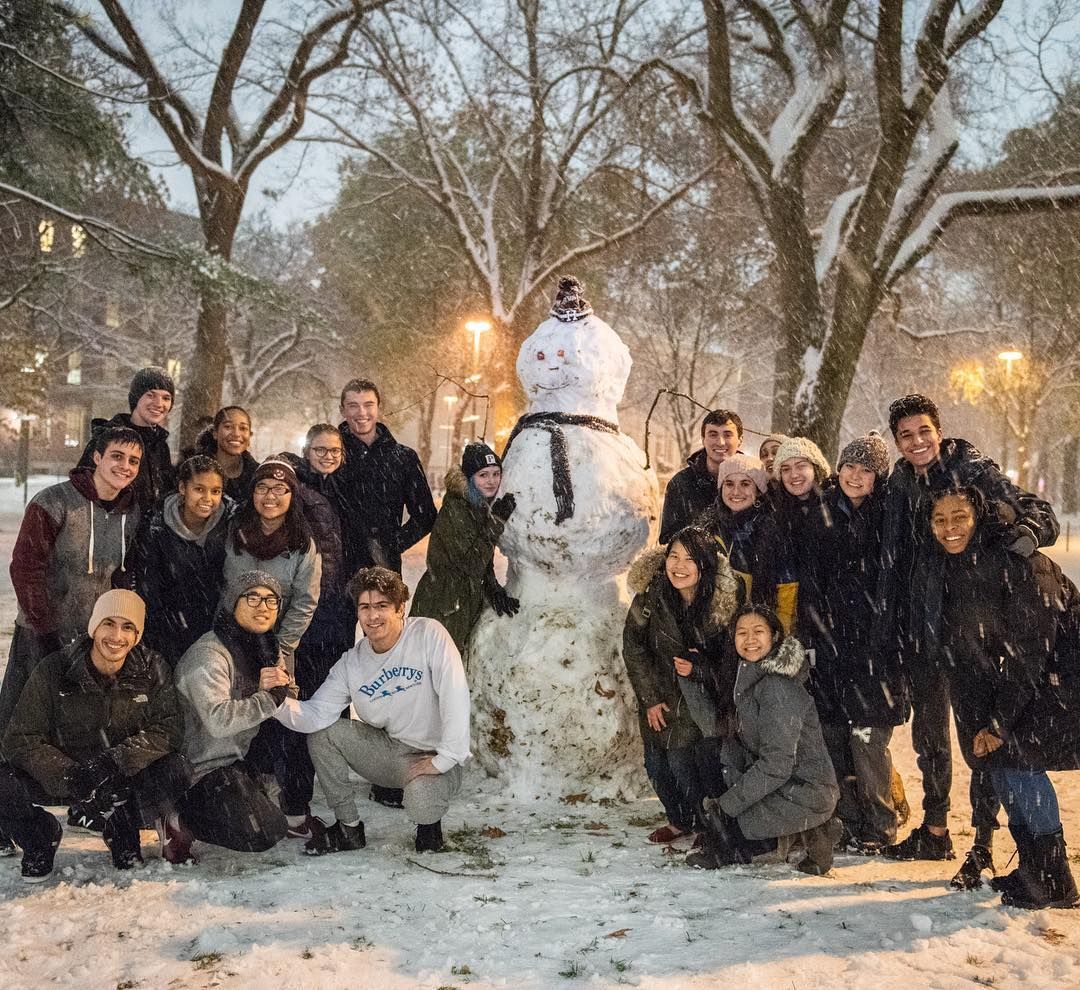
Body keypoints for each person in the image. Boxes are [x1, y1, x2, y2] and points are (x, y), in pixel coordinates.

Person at [878, 394, 1057, 871]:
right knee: (929, 736)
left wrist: (1025, 538)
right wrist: (889, 625)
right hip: (920, 626)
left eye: (923, 432)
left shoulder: (971, 469)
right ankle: (936, 830)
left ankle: (983, 841)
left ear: (938, 430)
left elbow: (1034, 511)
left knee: (978, 736)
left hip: (968, 627)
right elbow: (892, 560)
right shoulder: (898, 481)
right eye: (906, 435)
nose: (917, 442)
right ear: (896, 441)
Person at [917, 488, 1080, 906]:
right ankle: (1035, 869)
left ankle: (1054, 879)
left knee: (1023, 762)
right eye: (940, 520)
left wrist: (998, 723)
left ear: (979, 517)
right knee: (1006, 762)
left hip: (1061, 675)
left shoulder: (1016, 561)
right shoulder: (956, 565)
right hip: (1027, 678)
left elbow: (1030, 651)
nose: (950, 528)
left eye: (960, 517)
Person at [273, 566, 471, 855]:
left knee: (420, 801)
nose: (372, 615)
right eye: (365, 607)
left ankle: (429, 829)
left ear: (400, 608)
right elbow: (315, 715)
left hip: (436, 755)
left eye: (382, 606)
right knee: (323, 733)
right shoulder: (352, 663)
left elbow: (455, 693)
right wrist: (273, 700)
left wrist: (445, 758)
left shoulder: (428, 634)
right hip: (390, 752)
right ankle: (348, 829)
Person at [0, 590, 191, 881]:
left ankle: (121, 827)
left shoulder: (152, 669)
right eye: (109, 623)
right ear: (94, 627)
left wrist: (113, 763)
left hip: (119, 776)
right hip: (64, 772)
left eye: (128, 627)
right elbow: (21, 738)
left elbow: (167, 730)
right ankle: (39, 837)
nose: (116, 636)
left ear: (137, 634)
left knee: (176, 769)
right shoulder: (54, 669)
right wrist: (72, 776)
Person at [2, 425, 144, 741]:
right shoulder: (53, 502)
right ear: (96, 457)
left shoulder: (130, 513)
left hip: (94, 638)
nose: (125, 466)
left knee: (74, 730)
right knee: (23, 724)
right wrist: (45, 630)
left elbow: (122, 576)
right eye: (117, 456)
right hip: (43, 634)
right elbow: (25, 569)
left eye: (133, 461)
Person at [688, 605, 840, 873]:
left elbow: (777, 764)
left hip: (802, 789)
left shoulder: (777, 687)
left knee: (734, 834)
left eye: (759, 632)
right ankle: (796, 832)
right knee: (708, 753)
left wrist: (726, 806)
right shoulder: (747, 675)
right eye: (741, 632)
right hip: (782, 782)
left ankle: (818, 829)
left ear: (774, 637)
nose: (749, 640)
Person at [813, 432, 909, 852]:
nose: (855, 475)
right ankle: (849, 819)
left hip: (878, 645)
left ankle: (881, 822)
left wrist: (891, 637)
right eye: (849, 466)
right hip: (832, 642)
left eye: (865, 469)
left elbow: (898, 579)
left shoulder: (891, 515)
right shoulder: (822, 512)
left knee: (868, 740)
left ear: (878, 477)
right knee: (835, 738)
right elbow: (812, 575)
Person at [623, 527, 742, 845]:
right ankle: (678, 820)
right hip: (658, 691)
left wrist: (700, 669)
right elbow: (633, 644)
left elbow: (733, 658)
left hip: (699, 696)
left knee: (683, 762)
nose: (679, 565)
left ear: (703, 564)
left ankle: (705, 822)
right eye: (673, 556)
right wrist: (649, 697)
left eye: (689, 559)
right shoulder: (652, 594)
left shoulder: (721, 603)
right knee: (656, 763)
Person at [171, 571, 293, 860]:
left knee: (276, 824)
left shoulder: (266, 648)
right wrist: (268, 699)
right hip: (197, 770)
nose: (262, 607)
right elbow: (217, 720)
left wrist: (281, 694)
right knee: (261, 833)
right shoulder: (209, 655)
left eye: (271, 600)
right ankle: (177, 819)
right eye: (252, 597)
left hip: (236, 760)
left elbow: (285, 696)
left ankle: (259, 795)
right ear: (231, 603)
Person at [411, 442, 519, 656]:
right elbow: (470, 562)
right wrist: (496, 521)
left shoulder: (476, 504)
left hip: (459, 599)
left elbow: (480, 560)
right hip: (442, 603)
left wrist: (492, 589)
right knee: (436, 668)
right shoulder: (457, 508)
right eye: (483, 475)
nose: (491, 481)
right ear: (470, 477)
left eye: (496, 474)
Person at [127, 455, 233, 666]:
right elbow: (148, 587)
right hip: (167, 628)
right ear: (183, 488)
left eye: (216, 491)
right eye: (199, 489)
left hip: (215, 630)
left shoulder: (230, 522)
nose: (208, 498)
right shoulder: (156, 526)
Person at [223, 458, 321, 678]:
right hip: (228, 640)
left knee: (276, 708)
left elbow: (305, 601)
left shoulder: (302, 543)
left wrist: (280, 649)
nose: (270, 496)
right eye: (262, 488)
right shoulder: (233, 530)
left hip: (276, 645)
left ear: (292, 496)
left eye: (280, 489)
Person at [336, 378, 436, 577]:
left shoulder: (403, 457)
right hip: (335, 572)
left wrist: (391, 544)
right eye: (353, 405)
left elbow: (426, 516)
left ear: (379, 408)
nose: (362, 413)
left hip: (384, 571)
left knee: (383, 609)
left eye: (368, 405)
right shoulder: (331, 455)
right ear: (342, 410)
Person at [699, 454, 795, 629]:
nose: (736, 492)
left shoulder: (773, 534)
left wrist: (779, 636)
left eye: (745, 484)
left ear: (758, 491)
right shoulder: (707, 527)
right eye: (729, 484)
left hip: (753, 633)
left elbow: (786, 594)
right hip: (711, 630)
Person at [76, 366, 175, 509]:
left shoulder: (160, 445)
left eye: (166, 398)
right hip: (113, 527)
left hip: (149, 530)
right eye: (150, 395)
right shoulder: (108, 438)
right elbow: (81, 489)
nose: (159, 403)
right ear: (136, 398)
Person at [660, 409, 744, 544]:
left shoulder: (754, 482)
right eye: (713, 434)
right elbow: (668, 541)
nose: (720, 442)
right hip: (697, 563)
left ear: (740, 440)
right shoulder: (681, 483)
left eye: (727, 435)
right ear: (703, 439)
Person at [194, 406, 258, 502]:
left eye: (243, 428)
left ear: (250, 436)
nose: (236, 434)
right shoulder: (194, 469)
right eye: (228, 427)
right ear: (215, 433)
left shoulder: (257, 475)